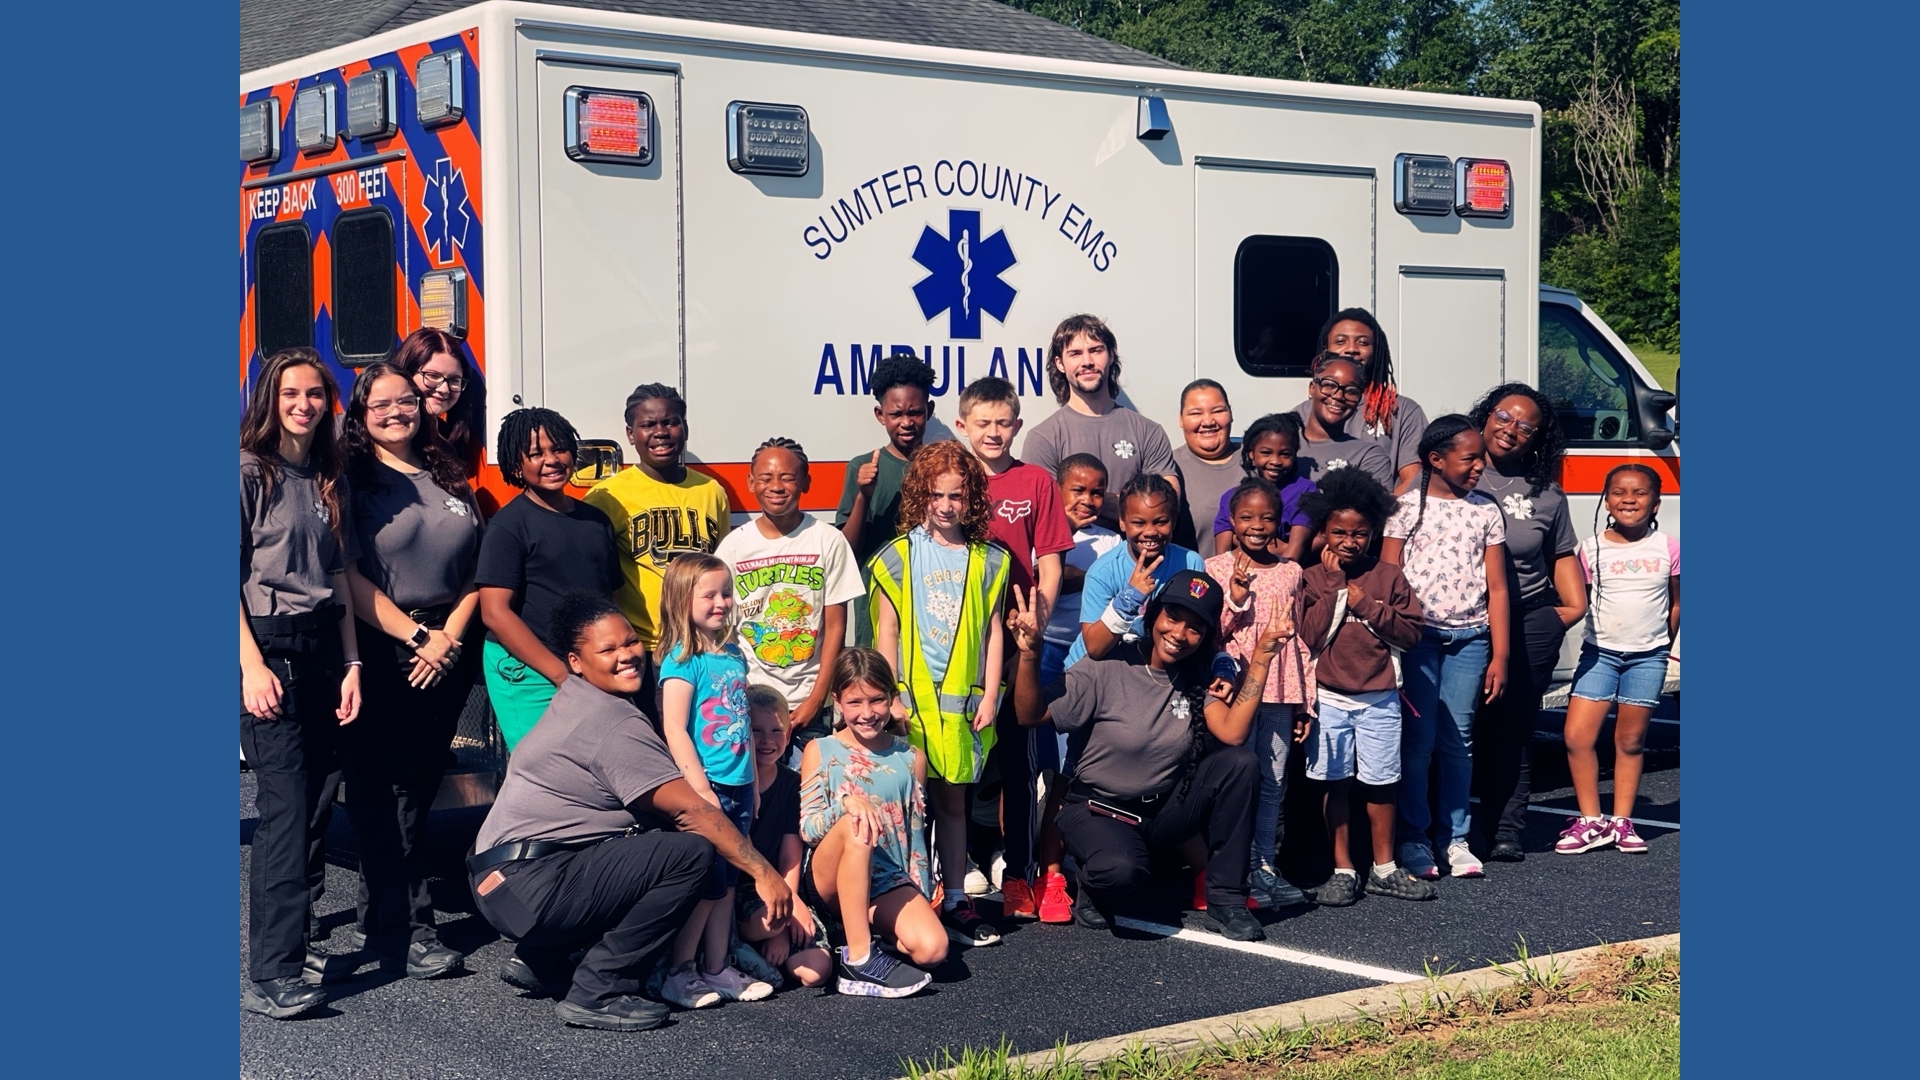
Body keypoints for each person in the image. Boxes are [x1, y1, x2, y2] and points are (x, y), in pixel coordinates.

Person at [467, 593, 793, 1031]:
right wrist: (764, 873)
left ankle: (544, 958)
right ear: (575, 661)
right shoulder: (612, 723)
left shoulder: (577, 699)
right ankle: (599, 988)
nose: (626, 656)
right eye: (608, 650)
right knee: (691, 852)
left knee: (644, 837)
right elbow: (691, 812)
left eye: (630, 642)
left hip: (501, 880)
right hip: (529, 885)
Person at [1007, 570, 1276, 942]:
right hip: (1098, 807)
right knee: (1122, 871)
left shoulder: (1197, 674)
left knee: (1240, 764)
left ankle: (1226, 900)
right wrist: (1029, 655)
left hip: (1162, 811)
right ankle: (1093, 883)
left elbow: (1232, 732)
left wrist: (1260, 659)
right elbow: (1030, 715)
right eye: (1173, 617)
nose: (1180, 634)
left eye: (1195, 627)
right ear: (1154, 615)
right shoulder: (1107, 665)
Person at [339, 361, 483, 979]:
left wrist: (448, 634)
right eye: (381, 405)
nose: (397, 412)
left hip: (448, 647)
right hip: (386, 647)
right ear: (361, 415)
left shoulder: (449, 473)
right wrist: (418, 635)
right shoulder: (352, 479)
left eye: (407, 401)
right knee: (388, 787)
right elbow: (347, 574)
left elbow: (482, 566)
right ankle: (406, 926)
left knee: (421, 786)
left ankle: (391, 921)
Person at [241, 349, 366, 1021]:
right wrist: (250, 667)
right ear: (271, 398)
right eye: (292, 392)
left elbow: (341, 579)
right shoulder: (248, 472)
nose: (305, 404)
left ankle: (295, 945)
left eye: (316, 394)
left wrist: (352, 665)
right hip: (271, 652)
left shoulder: (325, 476)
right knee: (286, 814)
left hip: (323, 653)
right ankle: (272, 974)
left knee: (317, 804)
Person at [867, 440, 1010, 948]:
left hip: (963, 712)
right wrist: (889, 700)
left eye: (957, 495)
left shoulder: (991, 560)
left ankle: (955, 898)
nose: (946, 505)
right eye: (936, 495)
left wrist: (991, 695)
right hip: (910, 711)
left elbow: (994, 632)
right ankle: (911, 897)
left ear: (972, 497)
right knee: (908, 808)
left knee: (953, 806)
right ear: (918, 496)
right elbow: (886, 633)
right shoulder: (897, 557)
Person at [954, 376, 1074, 920]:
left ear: (1018, 425)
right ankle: (952, 870)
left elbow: (1049, 561)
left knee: (1021, 762)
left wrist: (1039, 616)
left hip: (1022, 641)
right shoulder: (951, 482)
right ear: (963, 426)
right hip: (961, 644)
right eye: (983, 423)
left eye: (1004, 423)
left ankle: (1022, 876)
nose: (994, 433)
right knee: (957, 763)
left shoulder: (1036, 482)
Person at [1294, 468, 1434, 905]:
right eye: (1339, 532)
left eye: (1360, 533)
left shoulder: (1388, 577)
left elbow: (1411, 634)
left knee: (1380, 784)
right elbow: (1308, 637)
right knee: (1335, 784)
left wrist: (1367, 605)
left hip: (1380, 698)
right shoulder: (1313, 577)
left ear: (1373, 532)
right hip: (1330, 698)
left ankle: (1384, 868)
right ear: (1324, 531)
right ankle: (1342, 868)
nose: (1350, 541)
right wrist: (1337, 589)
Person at [1382, 416, 1510, 881]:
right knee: (1418, 744)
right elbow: (1387, 576)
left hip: (1471, 640)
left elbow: (1497, 588)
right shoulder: (1403, 507)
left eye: (1481, 456)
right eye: (1470, 457)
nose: (1480, 465)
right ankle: (1414, 838)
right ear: (1435, 460)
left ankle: (1455, 839)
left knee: (1459, 743)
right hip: (1417, 641)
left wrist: (1501, 654)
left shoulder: (1485, 510)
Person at [1464, 384, 1585, 862]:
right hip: (1463, 617)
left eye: (1525, 426)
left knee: (1511, 726)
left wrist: (1568, 612)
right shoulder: (1457, 474)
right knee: (1456, 724)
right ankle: (1445, 828)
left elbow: (1561, 555)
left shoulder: (1547, 493)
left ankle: (1505, 829)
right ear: (1485, 416)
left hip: (1529, 618)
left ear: (1538, 439)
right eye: (1503, 416)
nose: (1510, 430)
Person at [651, 554, 773, 1007]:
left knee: (729, 883)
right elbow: (675, 728)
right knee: (706, 886)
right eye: (710, 595)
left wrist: (755, 786)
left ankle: (717, 967)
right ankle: (679, 973)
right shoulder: (682, 662)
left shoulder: (734, 655)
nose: (721, 602)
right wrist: (700, 790)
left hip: (740, 786)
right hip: (710, 790)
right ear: (683, 600)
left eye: (726, 592)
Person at [800, 649, 947, 997]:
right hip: (829, 877)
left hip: (885, 878)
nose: (867, 714)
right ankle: (860, 958)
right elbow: (808, 828)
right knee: (857, 823)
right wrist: (846, 804)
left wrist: (920, 894)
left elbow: (915, 837)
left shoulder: (911, 758)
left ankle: (862, 933)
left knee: (933, 950)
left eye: (877, 700)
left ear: (891, 698)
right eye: (855, 703)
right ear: (837, 701)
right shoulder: (821, 749)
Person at [475, 408, 624, 750]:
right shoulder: (508, 526)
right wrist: (561, 675)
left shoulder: (596, 520)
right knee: (546, 768)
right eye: (536, 454)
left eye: (559, 448)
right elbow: (495, 613)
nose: (552, 460)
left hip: (588, 665)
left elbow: (609, 598)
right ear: (517, 466)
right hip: (529, 670)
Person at [1557, 465, 1678, 856]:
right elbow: (1580, 597)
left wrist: (1660, 644)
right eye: (1619, 492)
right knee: (1577, 736)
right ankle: (1592, 822)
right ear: (1606, 500)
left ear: (1656, 502)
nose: (1629, 499)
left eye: (1640, 493)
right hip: (1600, 655)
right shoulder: (1590, 549)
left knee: (1629, 741)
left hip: (1648, 658)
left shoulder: (1669, 547)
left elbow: (1676, 602)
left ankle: (1622, 822)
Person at [1205, 478, 1314, 909]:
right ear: (1231, 521)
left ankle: (1265, 865)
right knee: (1239, 780)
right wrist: (1235, 597)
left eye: (1267, 517)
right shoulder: (1215, 568)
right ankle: (1237, 871)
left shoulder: (1291, 571)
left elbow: (1298, 639)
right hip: (1237, 693)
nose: (1256, 526)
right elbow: (1213, 635)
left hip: (1282, 690)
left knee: (1274, 782)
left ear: (1280, 522)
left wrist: (1307, 701)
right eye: (1246, 517)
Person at [714, 438, 862, 753]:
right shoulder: (733, 546)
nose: (777, 486)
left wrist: (817, 698)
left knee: (812, 793)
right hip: (751, 698)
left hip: (811, 704)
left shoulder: (828, 540)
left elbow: (835, 626)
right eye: (766, 478)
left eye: (787, 477)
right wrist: (742, 692)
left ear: (806, 482)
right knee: (757, 793)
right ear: (751, 483)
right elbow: (723, 630)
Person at [1031, 454, 1122, 923]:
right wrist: (1080, 577)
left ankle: (1071, 858)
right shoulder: (1040, 532)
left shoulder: (1110, 542)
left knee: (1075, 763)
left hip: (1092, 658)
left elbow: (1106, 593)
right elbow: (1042, 579)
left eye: (1096, 491)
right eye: (1077, 491)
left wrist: (1078, 578)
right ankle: (1037, 865)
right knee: (1040, 764)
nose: (1087, 500)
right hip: (1043, 654)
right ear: (1056, 491)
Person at [585, 383, 731, 650]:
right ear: (631, 434)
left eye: (670, 422)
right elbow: (594, 579)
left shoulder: (712, 492)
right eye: (648, 424)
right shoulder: (606, 496)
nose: (661, 432)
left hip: (702, 643)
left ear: (684, 429)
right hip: (642, 647)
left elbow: (722, 567)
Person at [1020, 314, 1179, 532]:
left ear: (1111, 355)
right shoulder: (1043, 437)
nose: (1087, 361)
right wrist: (1126, 503)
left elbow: (1168, 501)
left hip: (1133, 560)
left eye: (1096, 350)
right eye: (1075, 353)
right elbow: (1041, 510)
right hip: (1069, 559)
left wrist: (1084, 501)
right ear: (1060, 363)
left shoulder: (1148, 432)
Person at [836, 354, 937, 647]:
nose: (906, 422)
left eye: (915, 412)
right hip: (876, 611)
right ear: (881, 415)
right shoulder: (861, 467)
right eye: (896, 414)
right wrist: (863, 498)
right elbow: (848, 552)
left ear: (929, 410)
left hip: (931, 610)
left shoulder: (944, 466)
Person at [737, 687, 833, 987]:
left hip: (782, 886)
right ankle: (740, 942)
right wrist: (779, 929)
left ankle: (760, 950)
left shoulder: (793, 784)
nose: (766, 740)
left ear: (789, 734)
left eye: (776, 730)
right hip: (741, 888)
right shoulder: (732, 784)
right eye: (756, 730)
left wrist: (791, 904)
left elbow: (791, 856)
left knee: (816, 970)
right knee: (769, 922)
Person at [1065, 472, 1208, 668]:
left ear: (1173, 521)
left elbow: (1196, 628)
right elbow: (1095, 649)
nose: (1150, 532)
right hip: (1092, 670)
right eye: (1139, 523)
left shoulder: (1191, 564)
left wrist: (1219, 662)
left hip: (1143, 672)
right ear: (1122, 522)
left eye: (1160, 522)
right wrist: (1129, 599)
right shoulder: (1103, 571)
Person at [1293, 309, 1428, 491]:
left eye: (1363, 342)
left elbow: (1413, 481)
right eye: (1340, 341)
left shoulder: (1403, 411)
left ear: (1376, 351)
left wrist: (1380, 509)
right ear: (1326, 350)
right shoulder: (1301, 413)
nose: (1351, 349)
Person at [1212, 413, 1317, 561]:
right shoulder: (1231, 497)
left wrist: (1277, 576)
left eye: (1285, 454)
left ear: (1294, 455)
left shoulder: (1306, 491)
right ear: (1251, 454)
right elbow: (1221, 558)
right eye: (1266, 453)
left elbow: (1294, 551)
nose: (1275, 461)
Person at [392, 327, 484, 482]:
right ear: (405, 373)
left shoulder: (447, 445)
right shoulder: (372, 435)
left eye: (454, 380)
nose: (444, 389)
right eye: (433, 376)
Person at [1296, 353, 1395, 490]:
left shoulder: (1369, 456)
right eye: (1329, 385)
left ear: (1359, 399)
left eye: (1351, 391)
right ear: (1312, 388)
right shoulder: (1280, 445)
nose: (1338, 396)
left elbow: (1377, 508)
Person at [1170, 379, 1240, 553]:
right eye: (1196, 413)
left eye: (1217, 411)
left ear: (1230, 413)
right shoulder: (1167, 468)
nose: (1208, 421)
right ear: (1181, 419)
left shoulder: (1258, 459)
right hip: (1191, 578)